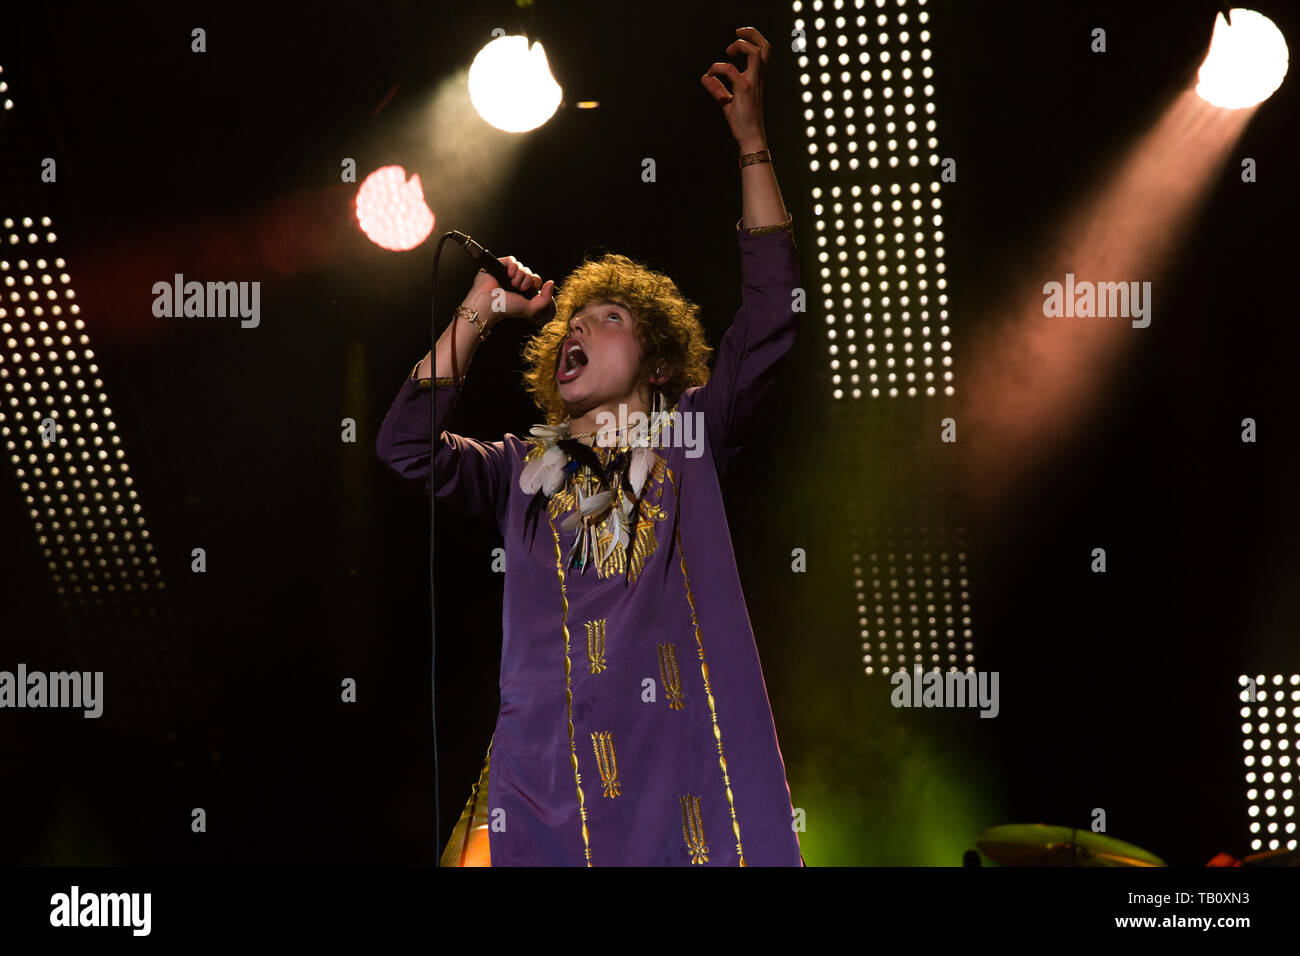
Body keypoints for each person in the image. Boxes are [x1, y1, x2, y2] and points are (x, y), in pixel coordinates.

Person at [377, 26, 804, 866]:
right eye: (573, 318)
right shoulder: (517, 471)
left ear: (654, 362)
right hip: (543, 790)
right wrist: (480, 308)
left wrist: (754, 144)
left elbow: (771, 316)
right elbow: (404, 445)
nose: (579, 323)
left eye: (608, 317)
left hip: (676, 773)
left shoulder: (688, 437)